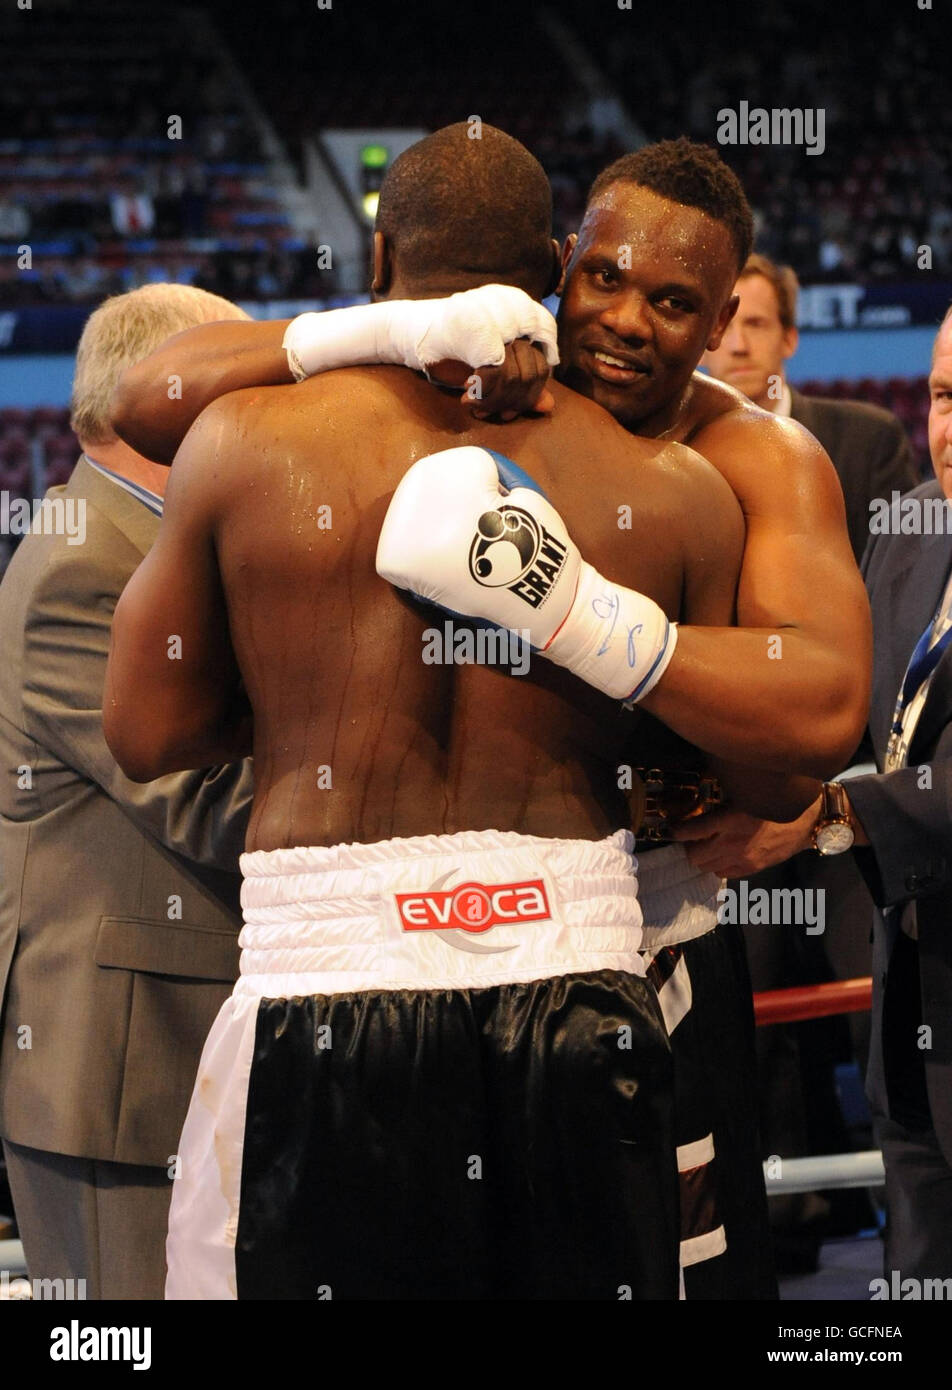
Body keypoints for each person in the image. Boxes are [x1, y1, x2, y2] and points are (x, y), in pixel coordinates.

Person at [108, 137, 871, 1300]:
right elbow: (140, 394)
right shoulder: (654, 486)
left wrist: (579, 618)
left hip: (629, 940)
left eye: (670, 302)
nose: (621, 319)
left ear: (721, 320)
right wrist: (397, 331)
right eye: (602, 279)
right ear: (556, 266)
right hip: (570, 966)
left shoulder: (740, 463)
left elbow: (804, 731)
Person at [675, 306, 952, 1285]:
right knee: (914, 1260)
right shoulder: (911, 543)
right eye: (941, 395)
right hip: (912, 999)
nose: (948, 427)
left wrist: (826, 818)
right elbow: (851, 722)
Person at [0, 285, 255, 1300]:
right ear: (175, 397)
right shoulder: (88, 563)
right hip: (119, 1068)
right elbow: (204, 799)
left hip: (154, 1054)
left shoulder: (130, 541)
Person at [702, 252, 917, 565]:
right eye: (726, 328)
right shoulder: (678, 452)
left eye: (756, 324)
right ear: (704, 348)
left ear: (789, 339)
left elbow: (899, 577)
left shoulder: (869, 441)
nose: (739, 346)